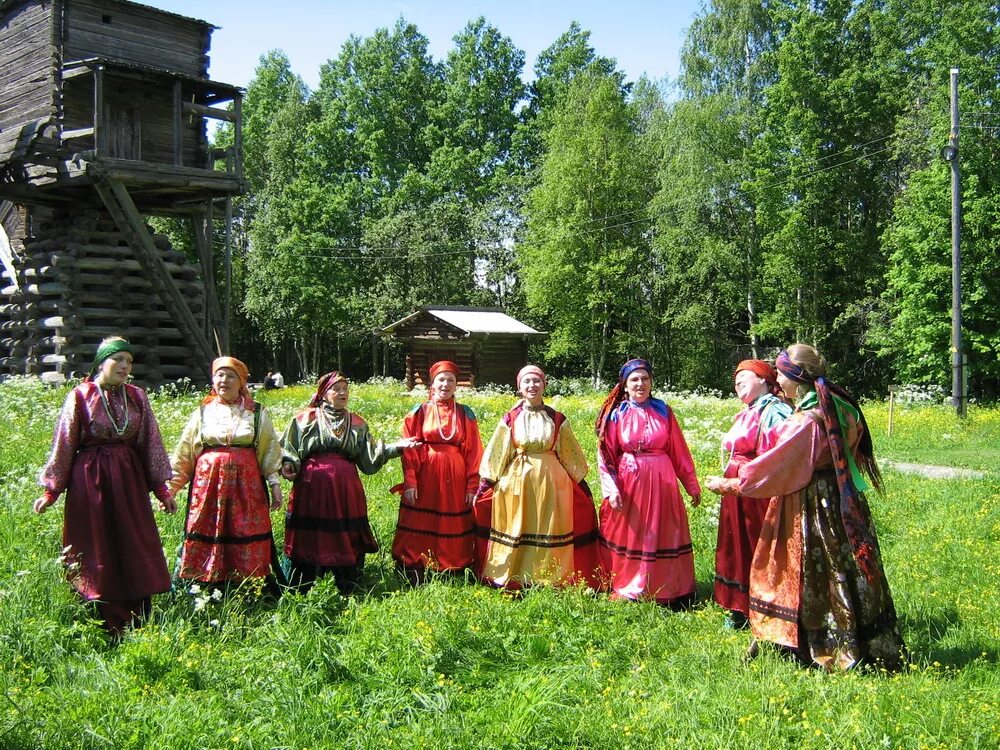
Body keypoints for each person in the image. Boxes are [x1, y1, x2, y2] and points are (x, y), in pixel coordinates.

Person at [705, 344, 905, 670]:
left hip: (809, 503)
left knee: (799, 571)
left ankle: (812, 641)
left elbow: (773, 471)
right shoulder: (843, 407)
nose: (778, 380)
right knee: (841, 569)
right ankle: (854, 637)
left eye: (781, 374)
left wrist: (727, 485)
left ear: (796, 378)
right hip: (843, 500)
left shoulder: (804, 423)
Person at [35, 336, 176, 636]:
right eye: (119, 360)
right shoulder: (81, 396)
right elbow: (65, 443)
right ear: (102, 362)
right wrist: (51, 491)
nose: (125, 366)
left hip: (129, 481)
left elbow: (149, 442)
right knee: (96, 542)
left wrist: (162, 491)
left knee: (132, 540)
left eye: (129, 361)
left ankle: (138, 614)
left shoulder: (137, 397)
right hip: (90, 481)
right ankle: (96, 614)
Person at [280, 372, 418, 593]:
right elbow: (288, 448)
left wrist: (397, 447)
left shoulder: (356, 422)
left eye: (346, 389)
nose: (343, 393)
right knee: (312, 531)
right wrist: (288, 464)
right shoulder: (305, 419)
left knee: (345, 530)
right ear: (323, 394)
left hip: (345, 486)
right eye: (337, 389)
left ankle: (347, 579)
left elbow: (369, 454)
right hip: (312, 486)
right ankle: (305, 581)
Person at [473, 365, 600, 589]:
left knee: (548, 527)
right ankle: (516, 574)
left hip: (552, 481)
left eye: (536, 381)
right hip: (518, 481)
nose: (532, 386)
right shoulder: (511, 418)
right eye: (527, 382)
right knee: (519, 525)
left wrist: (582, 483)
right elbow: (498, 451)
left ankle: (549, 577)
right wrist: (486, 483)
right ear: (519, 387)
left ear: (544, 385)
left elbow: (569, 452)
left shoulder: (557, 419)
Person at [168, 357, 284, 589]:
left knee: (245, 528)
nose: (224, 380)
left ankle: (249, 582)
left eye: (231, 376)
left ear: (241, 381)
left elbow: (268, 448)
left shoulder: (256, 412)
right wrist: (171, 489)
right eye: (220, 375)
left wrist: (274, 484)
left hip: (247, 486)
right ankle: (204, 583)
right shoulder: (202, 412)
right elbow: (185, 452)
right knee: (208, 527)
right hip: (208, 486)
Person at [595, 358, 701, 606]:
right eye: (634, 379)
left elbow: (679, 451)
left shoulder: (664, 410)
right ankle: (628, 585)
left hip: (662, 480)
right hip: (630, 480)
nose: (640, 384)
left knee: (664, 531)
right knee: (633, 532)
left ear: (651, 382)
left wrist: (691, 485)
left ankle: (668, 587)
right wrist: (612, 489)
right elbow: (606, 454)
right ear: (624, 384)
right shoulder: (616, 414)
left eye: (645, 378)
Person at [713, 360, 793, 628]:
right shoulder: (749, 410)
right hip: (738, 491)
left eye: (744, 376)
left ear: (764, 380)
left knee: (758, 545)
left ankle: (766, 608)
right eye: (735, 379)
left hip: (757, 491)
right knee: (736, 545)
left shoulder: (774, 410)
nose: (738, 382)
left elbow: (779, 455)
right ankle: (740, 606)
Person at [391, 360, 483, 582]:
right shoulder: (419, 412)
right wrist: (411, 481)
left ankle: (453, 565)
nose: (446, 384)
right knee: (421, 520)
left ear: (456, 385)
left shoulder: (465, 413)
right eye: (442, 379)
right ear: (432, 384)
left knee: (453, 519)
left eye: (451, 380)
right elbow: (409, 448)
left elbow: (474, 451)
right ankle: (413, 563)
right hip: (427, 473)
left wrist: (473, 485)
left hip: (457, 475)